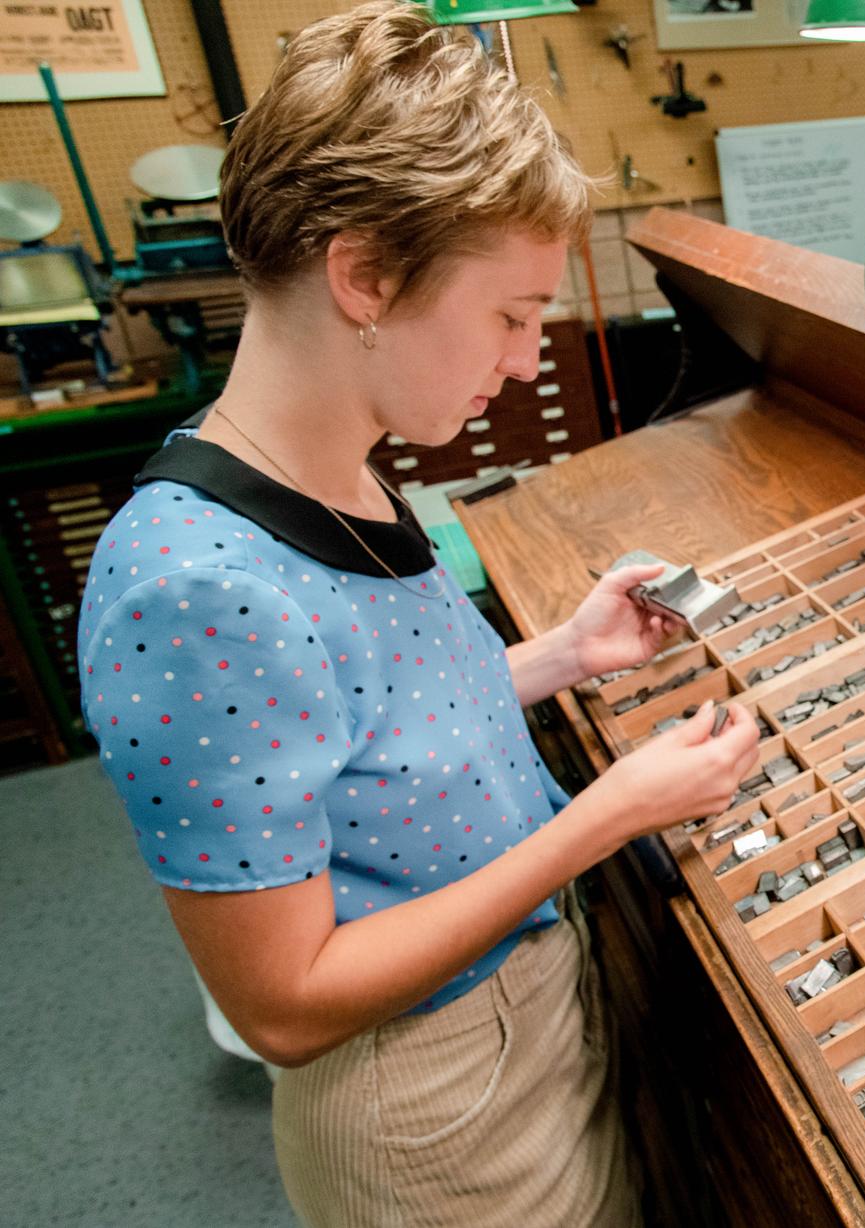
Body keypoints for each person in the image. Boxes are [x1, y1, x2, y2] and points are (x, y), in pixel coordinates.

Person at [75, 4, 760, 1224]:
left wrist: (559, 655)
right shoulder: (190, 593)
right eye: (508, 315)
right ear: (365, 275)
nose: (525, 362)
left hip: (527, 1009)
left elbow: (367, 741)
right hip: (430, 1101)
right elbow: (284, 1004)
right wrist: (606, 815)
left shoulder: (337, 465)